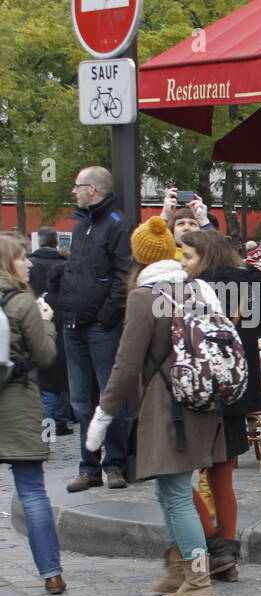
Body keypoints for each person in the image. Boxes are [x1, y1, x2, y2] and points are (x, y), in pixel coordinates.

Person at [84, 217, 227, 596]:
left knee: (177, 493)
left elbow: (126, 365)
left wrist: (102, 416)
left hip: (170, 407)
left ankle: (197, 581)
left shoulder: (144, 296)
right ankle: (179, 570)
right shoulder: (196, 289)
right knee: (169, 490)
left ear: (138, 258)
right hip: (201, 401)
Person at [179, 228, 261, 580]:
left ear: (204, 256)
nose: (182, 263)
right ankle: (227, 554)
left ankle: (216, 546)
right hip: (234, 392)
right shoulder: (249, 282)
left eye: (187, 255)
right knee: (222, 480)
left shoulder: (189, 290)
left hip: (199, 395)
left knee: (178, 481)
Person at [0, 232, 65, 594]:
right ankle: (51, 573)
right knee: (32, 490)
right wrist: (48, 323)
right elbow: (45, 357)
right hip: (18, 404)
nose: (29, 263)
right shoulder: (23, 303)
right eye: (22, 257)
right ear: (9, 261)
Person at [61, 165, 132, 493]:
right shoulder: (80, 228)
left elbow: (123, 276)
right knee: (80, 402)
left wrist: (105, 317)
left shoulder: (117, 226)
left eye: (77, 186)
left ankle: (114, 464)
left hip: (101, 327)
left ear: (92, 189)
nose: (73, 191)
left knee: (109, 398)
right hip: (74, 324)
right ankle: (89, 467)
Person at [27, 227, 73, 435]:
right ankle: (61, 420)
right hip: (67, 331)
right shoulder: (67, 266)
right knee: (64, 378)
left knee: (46, 382)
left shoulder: (30, 265)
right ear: (56, 242)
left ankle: (48, 429)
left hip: (40, 326)